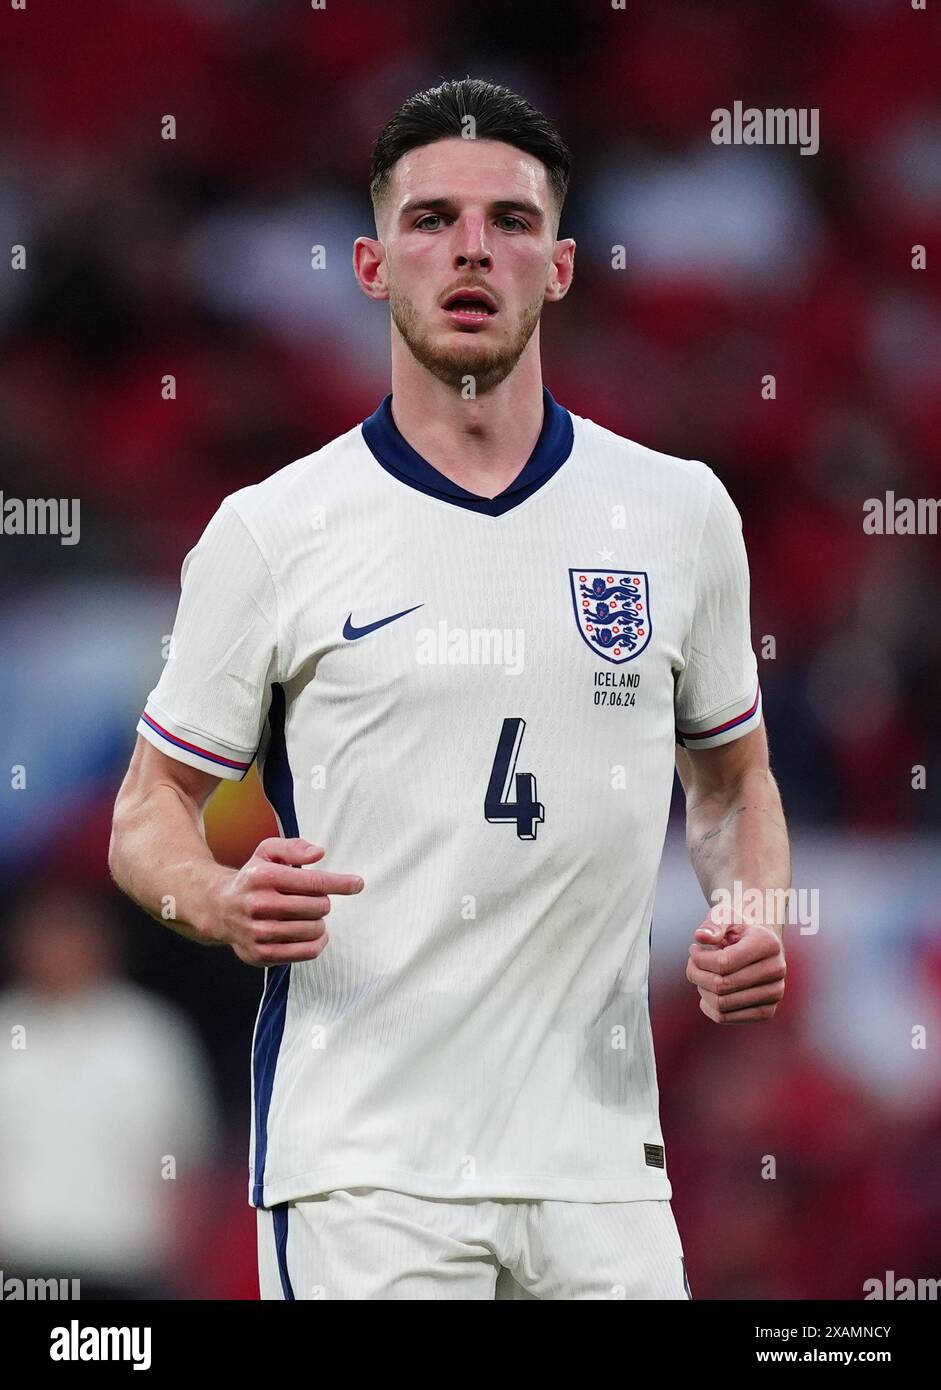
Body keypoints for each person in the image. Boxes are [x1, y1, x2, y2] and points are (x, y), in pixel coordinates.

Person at [109, 77, 790, 1301]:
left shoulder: (679, 512)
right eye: (430, 220)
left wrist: (751, 911)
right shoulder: (274, 531)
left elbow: (732, 779)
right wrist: (215, 899)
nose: (470, 248)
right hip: (366, 1173)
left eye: (508, 221)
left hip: (604, 1178)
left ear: (562, 265)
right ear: (372, 265)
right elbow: (147, 810)